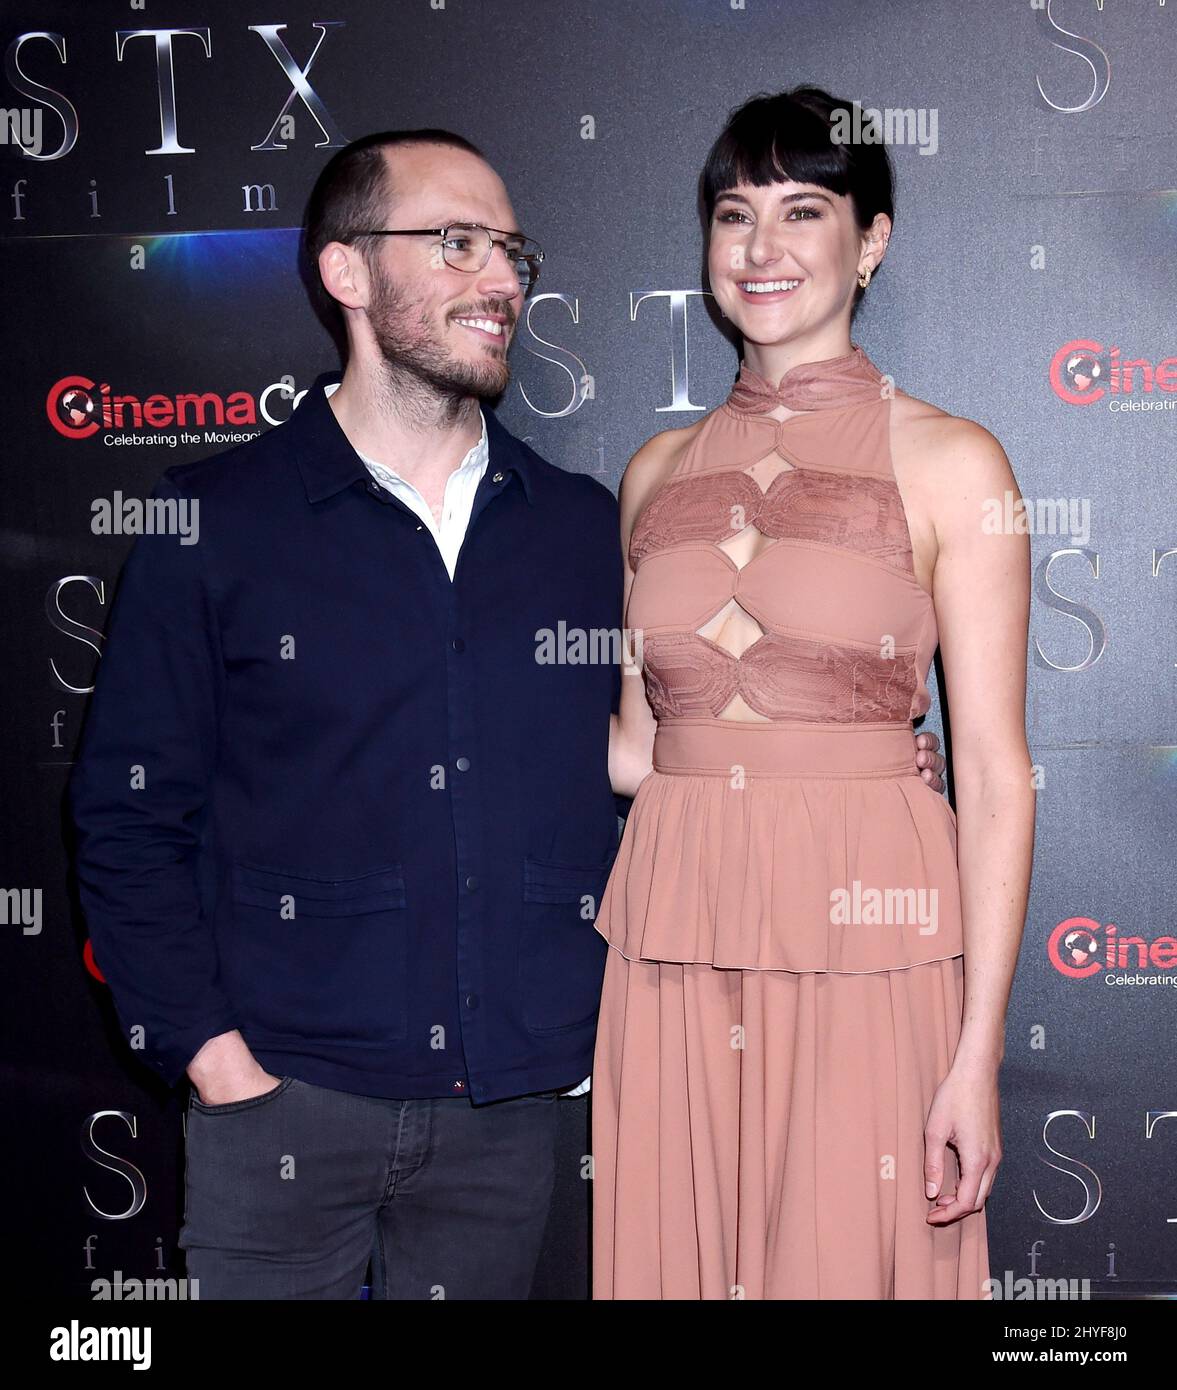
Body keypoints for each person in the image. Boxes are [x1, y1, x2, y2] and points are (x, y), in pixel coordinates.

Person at [70, 127, 948, 1301]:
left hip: (514, 1125)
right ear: (344, 272)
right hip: (283, 1109)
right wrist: (213, 1060)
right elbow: (130, 822)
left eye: (510, 251)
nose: (501, 280)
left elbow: (650, 741)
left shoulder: (582, 526)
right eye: (456, 243)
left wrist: (854, 762)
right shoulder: (212, 524)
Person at [594, 87, 1034, 1300]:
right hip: (674, 943)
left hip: (868, 934)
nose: (760, 248)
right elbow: (635, 752)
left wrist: (976, 1054)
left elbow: (995, 771)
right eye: (734, 215)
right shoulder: (651, 471)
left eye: (803, 210)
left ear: (871, 240)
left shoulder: (952, 459)